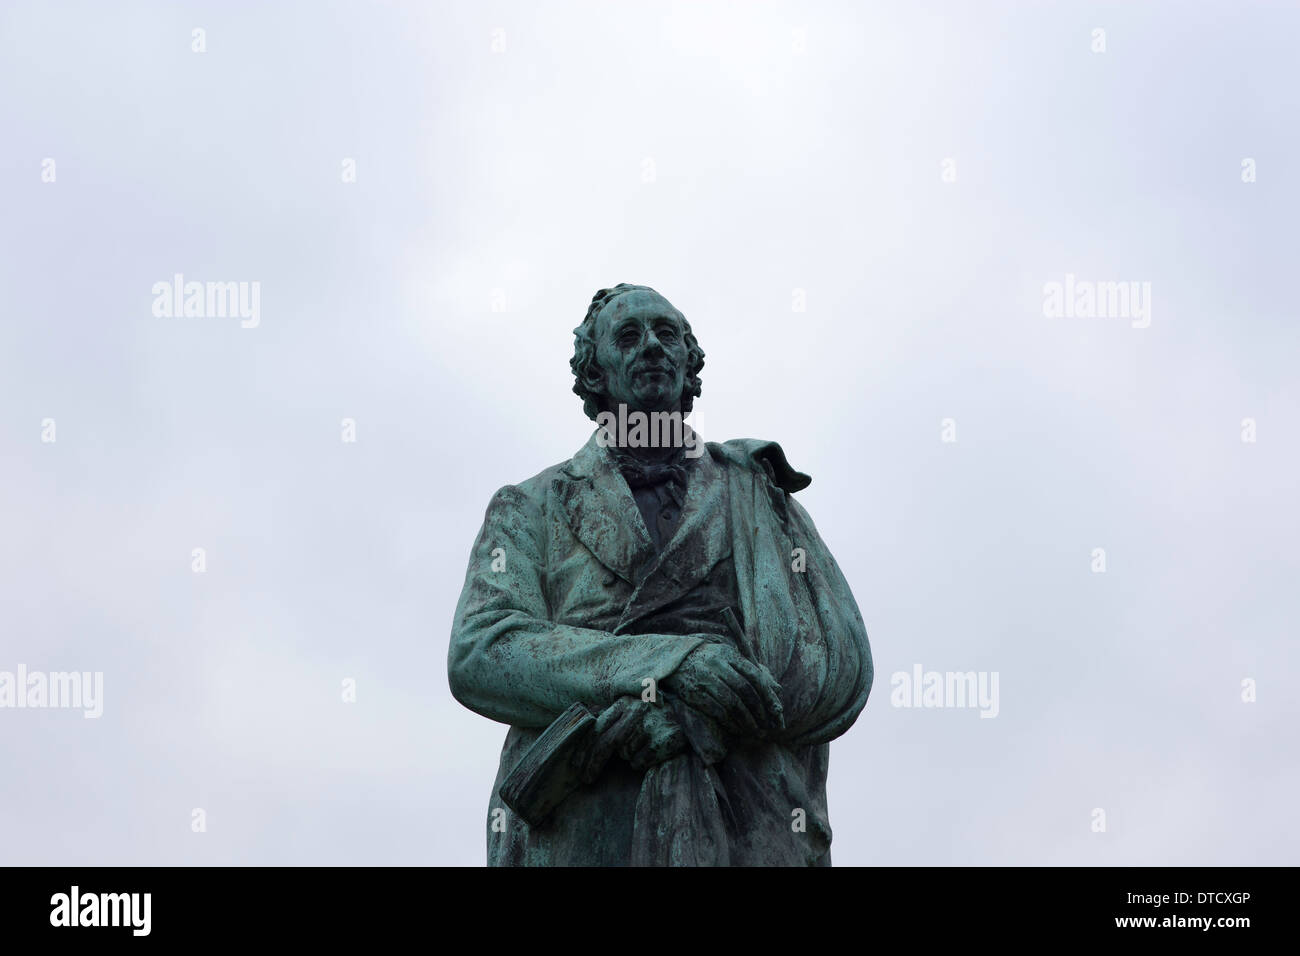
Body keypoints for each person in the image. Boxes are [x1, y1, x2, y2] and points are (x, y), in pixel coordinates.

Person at [449, 283, 872, 865]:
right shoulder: (530, 507)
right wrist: (669, 665)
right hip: (583, 826)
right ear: (594, 373)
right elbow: (481, 651)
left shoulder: (759, 495)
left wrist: (716, 706)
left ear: (689, 365)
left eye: (666, 334)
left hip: (749, 818)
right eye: (628, 336)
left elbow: (838, 665)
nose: (651, 345)